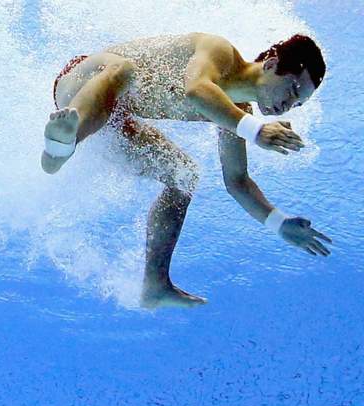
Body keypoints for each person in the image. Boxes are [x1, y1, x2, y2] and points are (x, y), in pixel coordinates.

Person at [42, 33, 332, 309]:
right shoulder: (221, 53)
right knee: (125, 68)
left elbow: (237, 182)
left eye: (298, 102)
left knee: (183, 175)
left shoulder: (236, 112)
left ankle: (155, 286)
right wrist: (254, 130)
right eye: (293, 89)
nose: (289, 106)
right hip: (83, 81)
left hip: (113, 118)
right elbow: (196, 89)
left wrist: (280, 225)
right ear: (271, 64)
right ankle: (63, 142)